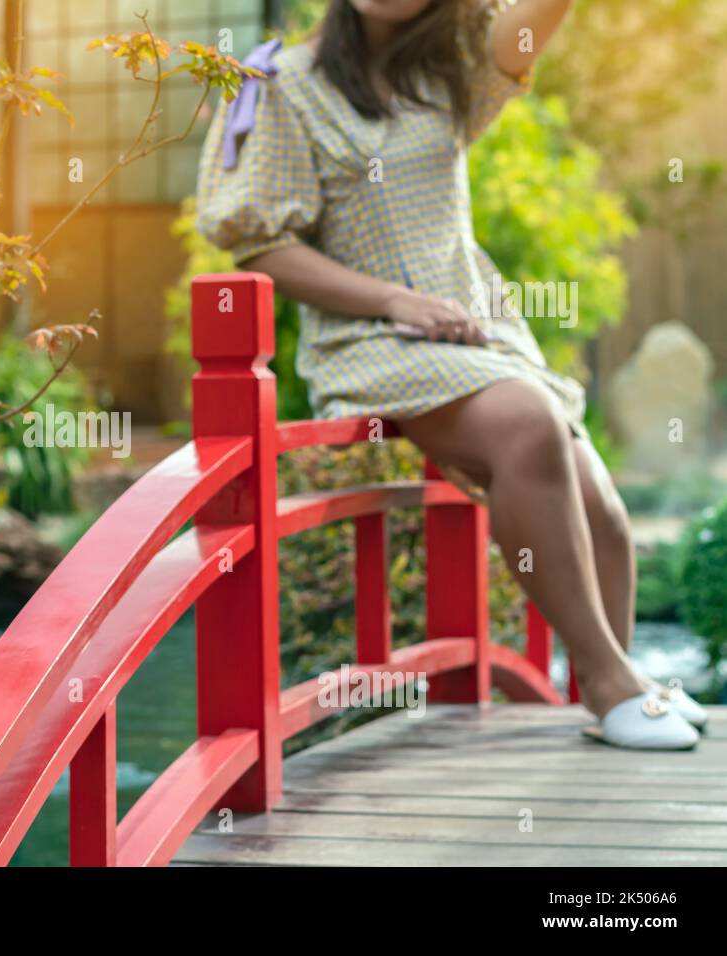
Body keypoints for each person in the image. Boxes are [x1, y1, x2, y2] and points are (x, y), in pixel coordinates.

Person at [196, 0, 705, 749]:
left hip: (479, 338)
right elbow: (260, 247)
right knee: (530, 424)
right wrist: (396, 302)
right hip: (370, 344)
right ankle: (607, 681)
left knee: (602, 511)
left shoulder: (451, 67)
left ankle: (616, 677)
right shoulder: (282, 83)